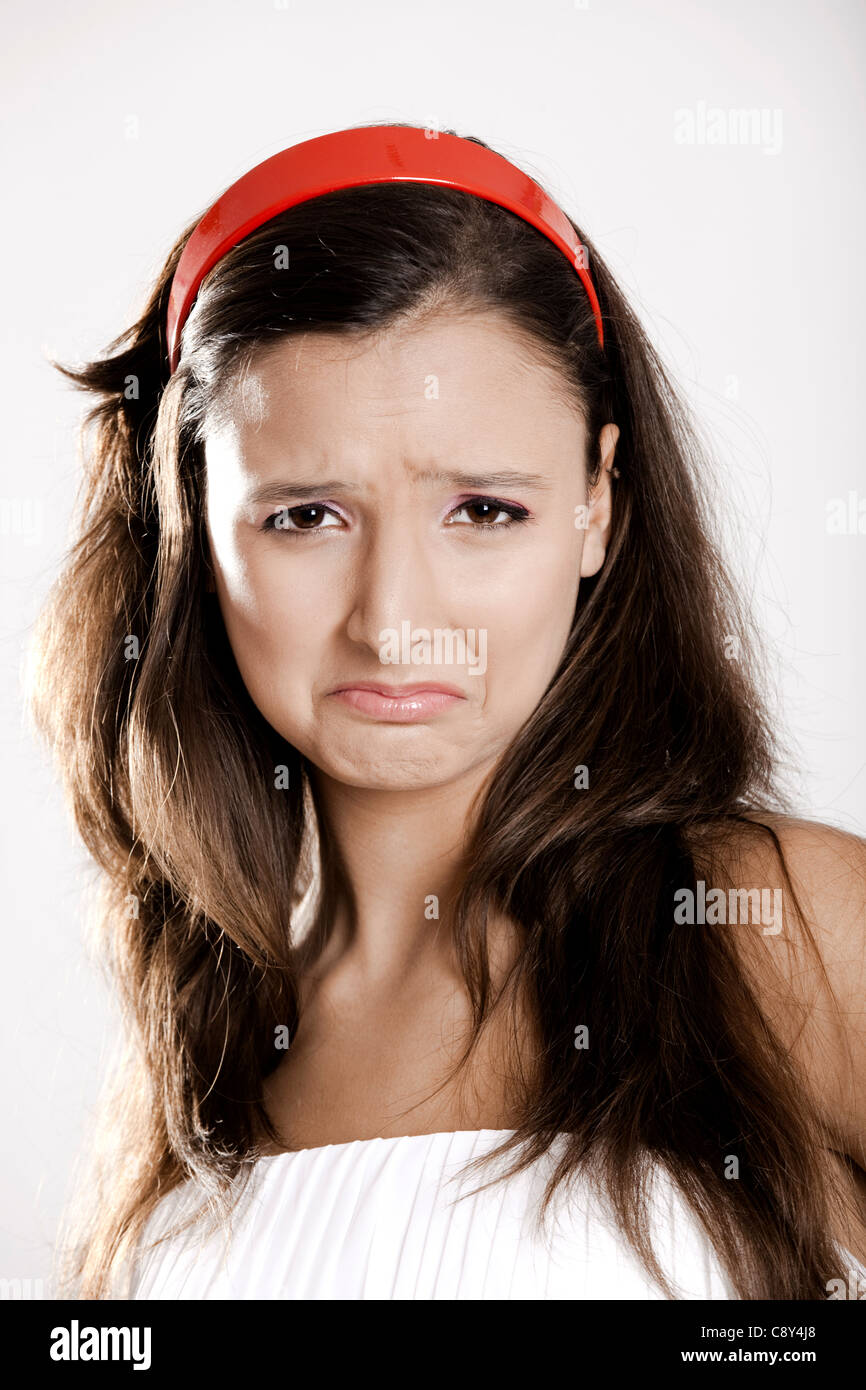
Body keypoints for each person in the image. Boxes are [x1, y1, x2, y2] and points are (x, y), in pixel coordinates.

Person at [27, 121, 866, 1301]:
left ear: (594, 505)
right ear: (192, 529)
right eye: (305, 516)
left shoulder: (781, 933)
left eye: (481, 510)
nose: (393, 618)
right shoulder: (188, 1051)